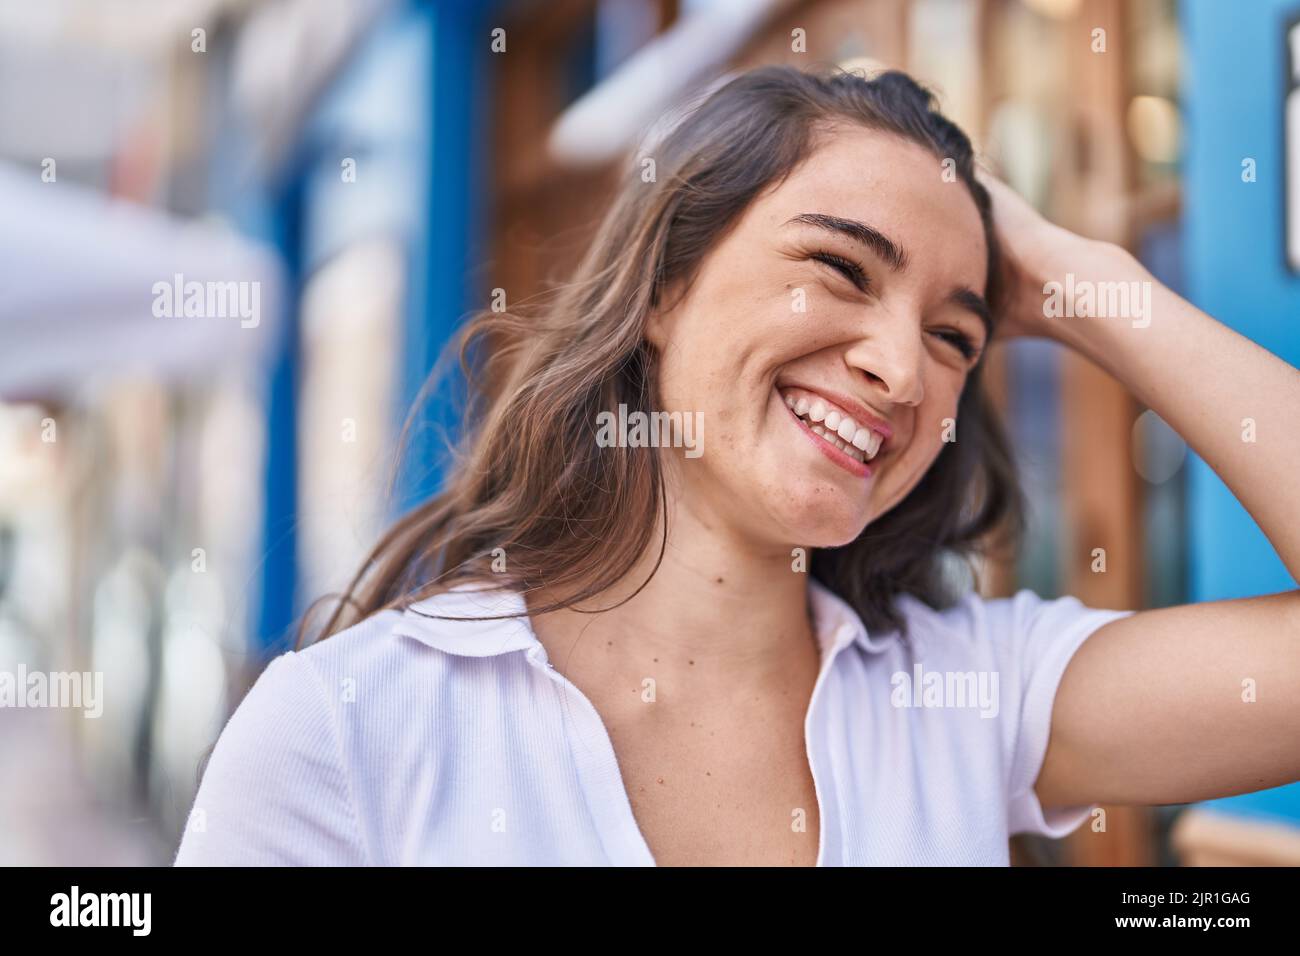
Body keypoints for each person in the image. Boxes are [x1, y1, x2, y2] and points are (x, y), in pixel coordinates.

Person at [175, 66, 1300, 866]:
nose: (901, 368)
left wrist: (1076, 280)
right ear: (663, 286)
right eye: (841, 268)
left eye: (956, 334)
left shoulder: (971, 697)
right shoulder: (347, 727)